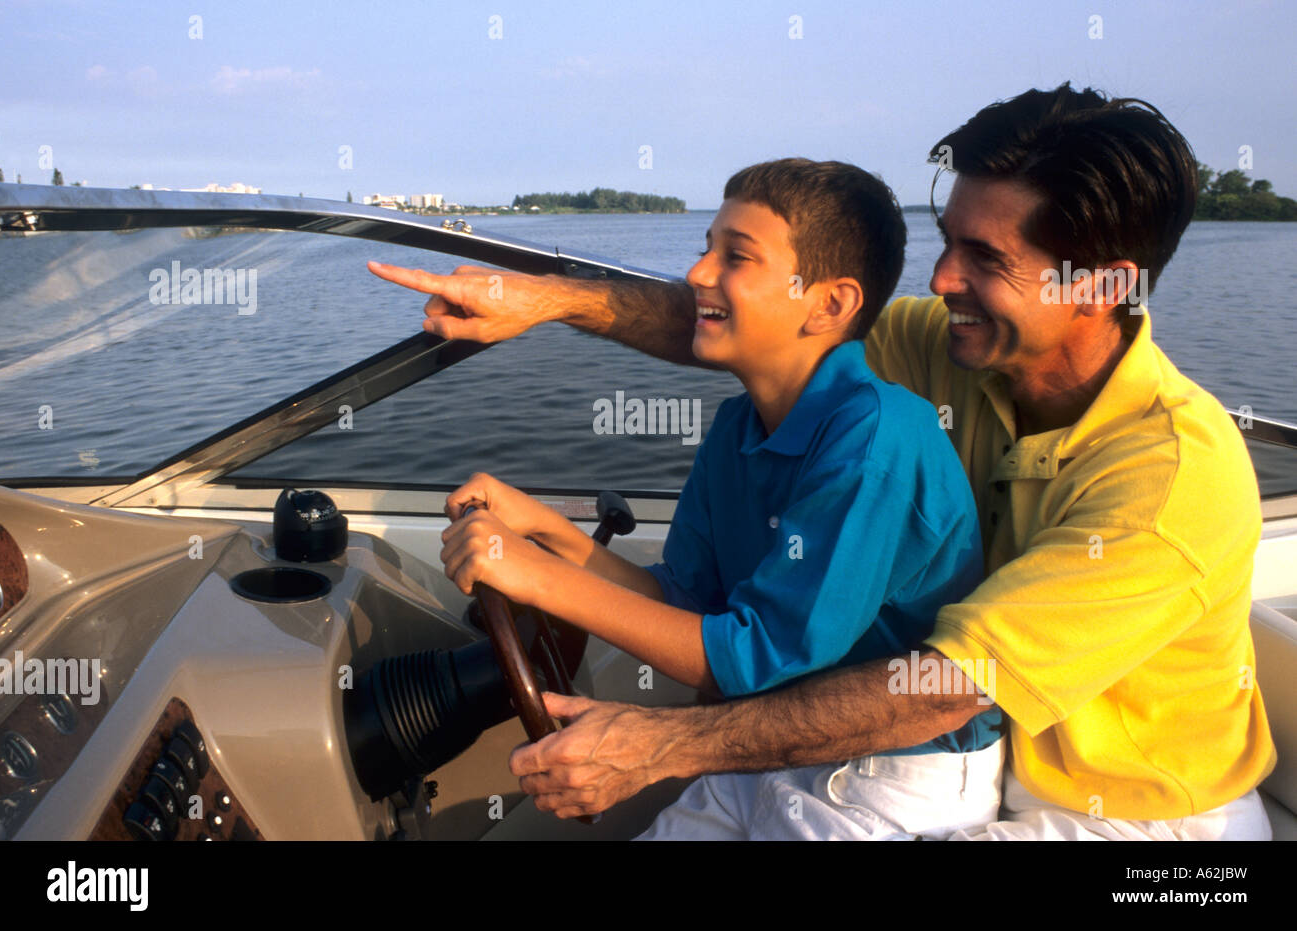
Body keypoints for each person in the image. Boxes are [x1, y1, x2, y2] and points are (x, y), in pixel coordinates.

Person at [368, 83, 1276, 840]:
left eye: (985, 257)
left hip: (1143, 828)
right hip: (941, 767)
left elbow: (939, 693)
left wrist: (662, 743)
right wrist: (543, 300)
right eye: (947, 238)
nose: (943, 279)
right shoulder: (954, 348)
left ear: (1105, 285)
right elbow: (772, 336)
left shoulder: (1174, 479)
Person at [401, 158, 1004, 840]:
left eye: (736, 256)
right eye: (705, 248)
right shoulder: (736, 430)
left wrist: (535, 576)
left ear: (830, 303)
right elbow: (686, 605)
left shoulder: (878, 439)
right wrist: (550, 535)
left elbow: (749, 658)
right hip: (767, 751)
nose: (697, 273)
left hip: (892, 782)